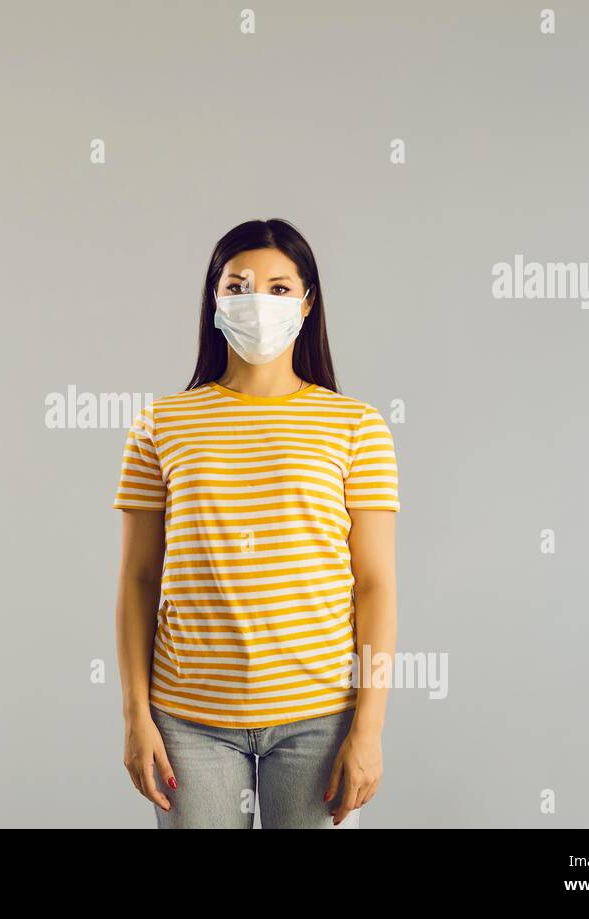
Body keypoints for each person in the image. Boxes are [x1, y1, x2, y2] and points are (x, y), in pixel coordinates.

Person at [113, 218, 400, 828]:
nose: (258, 303)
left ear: (307, 301)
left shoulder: (357, 427)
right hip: (188, 719)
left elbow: (374, 586)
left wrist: (368, 729)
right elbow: (138, 580)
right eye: (238, 286)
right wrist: (136, 716)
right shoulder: (160, 425)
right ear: (214, 299)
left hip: (319, 717)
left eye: (278, 288)